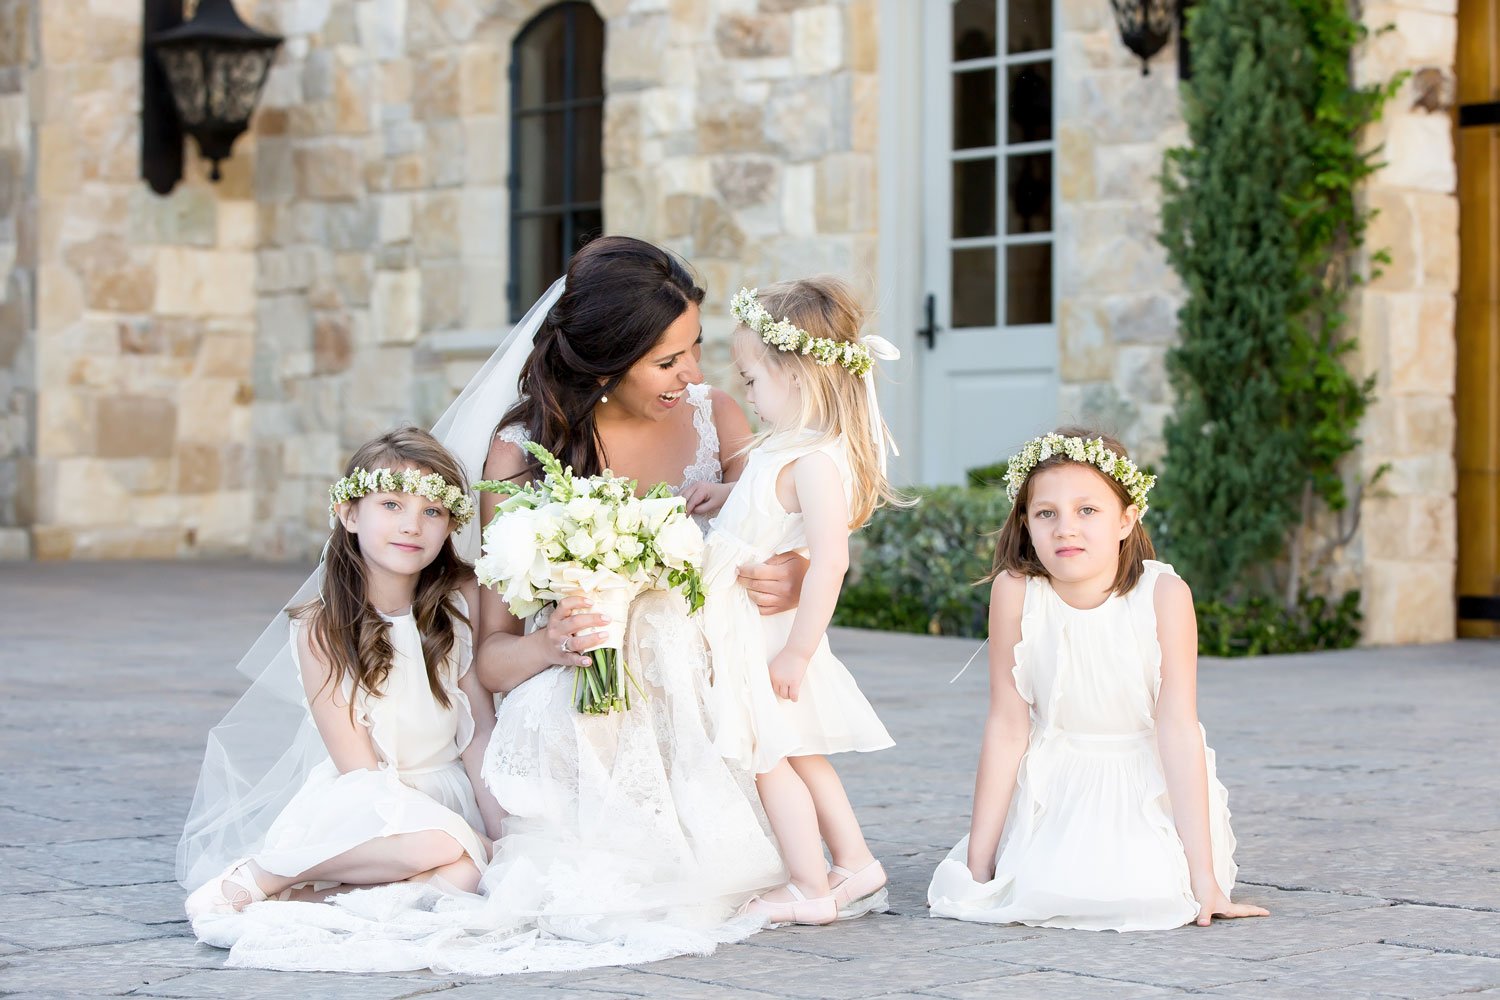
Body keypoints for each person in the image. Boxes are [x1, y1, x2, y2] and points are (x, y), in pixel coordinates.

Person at [926, 429, 1270, 931]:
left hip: (1144, 782)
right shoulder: (1016, 591)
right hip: (1055, 781)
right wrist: (979, 866)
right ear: (1026, 522)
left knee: (1147, 893)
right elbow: (1007, 725)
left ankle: (1181, 866)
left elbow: (1178, 730)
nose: (1066, 528)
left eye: (1088, 510)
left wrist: (1205, 877)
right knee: (1041, 889)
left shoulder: (1164, 594)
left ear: (1126, 519)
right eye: (1047, 513)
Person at [180, 428, 504, 952]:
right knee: (449, 845)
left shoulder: (459, 603)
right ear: (351, 515)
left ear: (450, 527)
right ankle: (269, 874)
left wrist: (501, 830)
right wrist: (433, 830)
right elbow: (357, 768)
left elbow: (478, 732)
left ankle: (318, 902)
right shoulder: (321, 627)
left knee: (471, 870)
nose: (411, 525)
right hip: (367, 800)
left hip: (447, 792)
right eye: (392, 503)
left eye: (432, 511)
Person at [688, 279, 902, 927]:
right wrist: (724, 499)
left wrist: (800, 652)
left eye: (753, 380)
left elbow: (831, 559)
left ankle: (809, 882)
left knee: (770, 758)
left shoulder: (815, 459)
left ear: (798, 375)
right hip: (752, 627)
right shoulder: (784, 447)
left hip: (771, 639)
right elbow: (765, 502)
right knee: (802, 754)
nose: (747, 394)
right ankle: (856, 863)